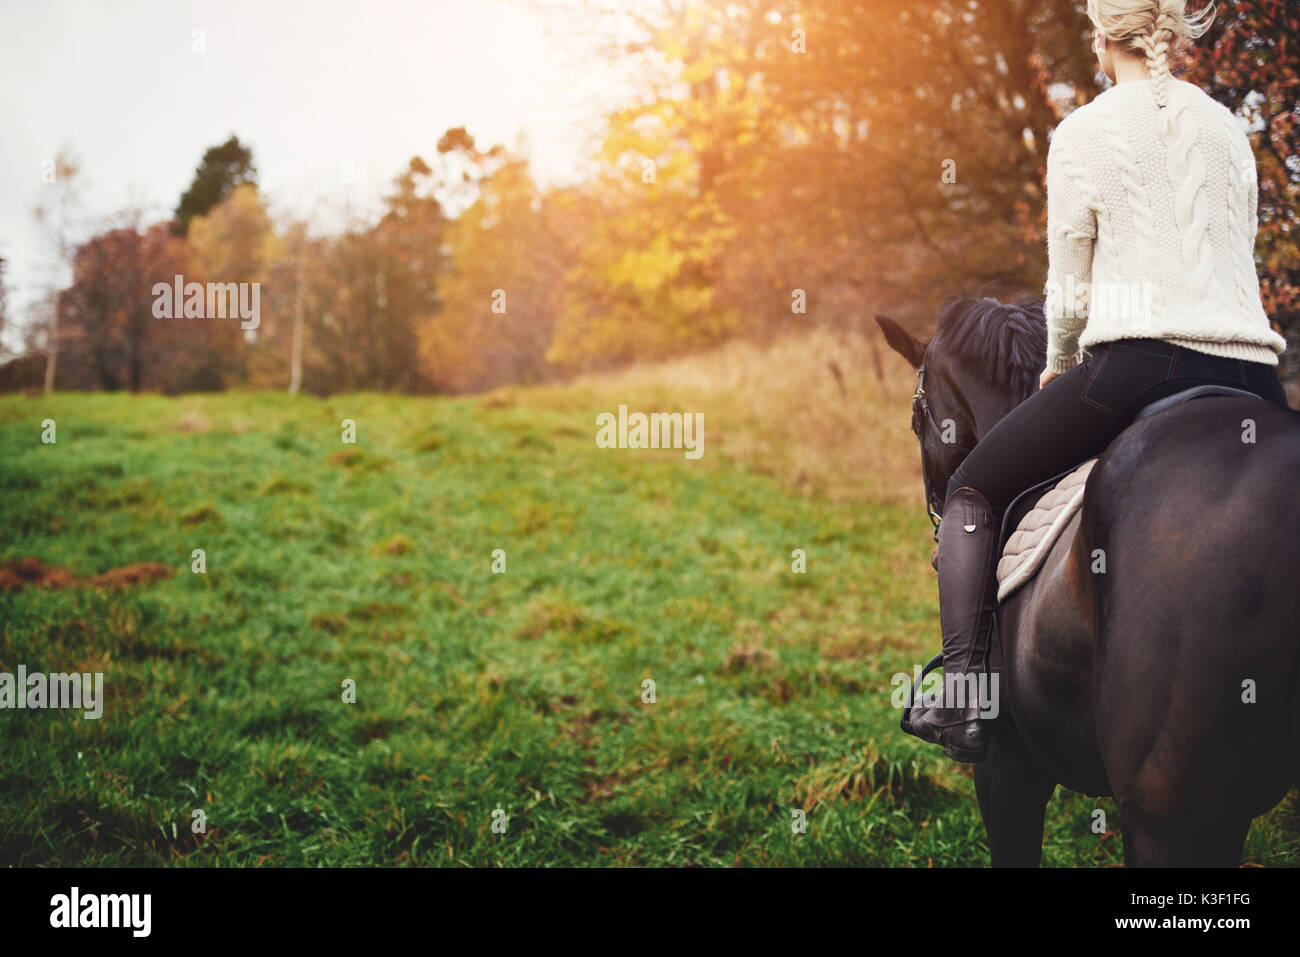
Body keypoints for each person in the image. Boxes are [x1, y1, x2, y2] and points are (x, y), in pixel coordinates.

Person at [905, 0, 1292, 762]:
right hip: (1255, 377)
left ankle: (962, 696)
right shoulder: (1229, 131)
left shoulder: (1083, 130)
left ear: (1099, 38)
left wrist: (1057, 364)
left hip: (1137, 368)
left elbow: (1072, 293)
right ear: (1174, 37)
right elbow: (1230, 261)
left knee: (975, 495)